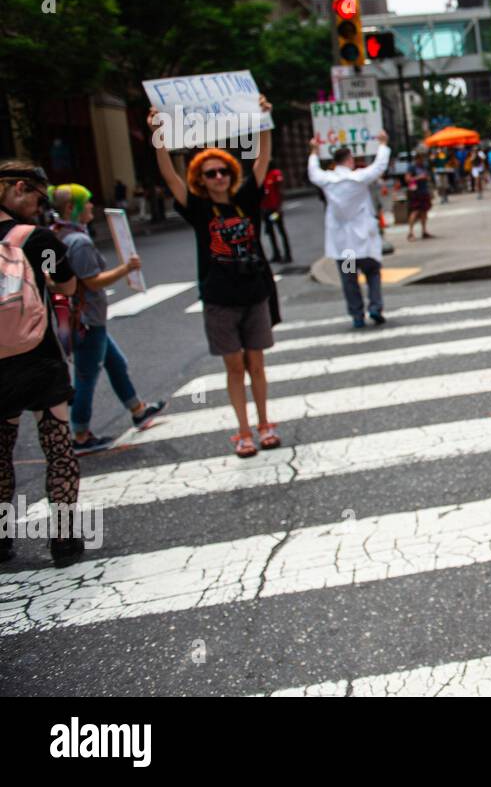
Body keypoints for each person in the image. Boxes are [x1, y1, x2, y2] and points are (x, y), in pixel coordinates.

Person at [152, 97, 281, 459]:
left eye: (223, 171)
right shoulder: (197, 207)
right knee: (235, 367)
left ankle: (265, 423)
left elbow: (263, 157)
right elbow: (168, 174)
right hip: (220, 299)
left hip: (254, 292)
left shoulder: (247, 199)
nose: (219, 177)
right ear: (201, 179)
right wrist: (159, 135)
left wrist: (264, 119)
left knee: (257, 363)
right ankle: (243, 431)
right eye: (210, 173)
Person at [0, 162, 85, 564]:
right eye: (37, 196)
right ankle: (64, 540)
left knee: (1, 453)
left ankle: (1, 539)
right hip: (38, 357)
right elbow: (64, 283)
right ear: (19, 188)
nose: (40, 206)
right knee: (57, 449)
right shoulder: (38, 239)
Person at [49, 183, 166, 454]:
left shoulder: (59, 234)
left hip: (79, 317)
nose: (91, 206)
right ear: (71, 208)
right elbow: (92, 281)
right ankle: (80, 435)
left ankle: (138, 410)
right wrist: (127, 269)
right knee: (87, 377)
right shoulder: (78, 241)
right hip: (87, 319)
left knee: (116, 362)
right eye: (87, 202)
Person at [309, 132, 392, 328]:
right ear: (349, 160)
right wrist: (382, 144)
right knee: (372, 273)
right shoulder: (358, 178)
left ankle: (357, 315)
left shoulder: (327, 180)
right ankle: (375, 307)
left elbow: (313, 172)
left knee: (349, 280)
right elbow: (379, 166)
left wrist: (313, 151)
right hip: (365, 241)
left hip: (344, 246)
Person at [260, 165, 292, 263]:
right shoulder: (261, 175)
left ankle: (288, 254)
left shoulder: (274, 174)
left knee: (281, 231)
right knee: (270, 232)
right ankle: (276, 254)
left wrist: (279, 207)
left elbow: (281, 190)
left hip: (275, 209)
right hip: (265, 210)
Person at [405, 152, 432, 240]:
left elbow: (428, 177)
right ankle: (410, 232)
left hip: (424, 191)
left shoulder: (424, 166)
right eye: (419, 159)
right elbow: (407, 179)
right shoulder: (411, 167)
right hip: (415, 192)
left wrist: (426, 178)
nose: (421, 161)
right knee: (415, 211)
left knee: (424, 211)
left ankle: (424, 231)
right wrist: (418, 177)